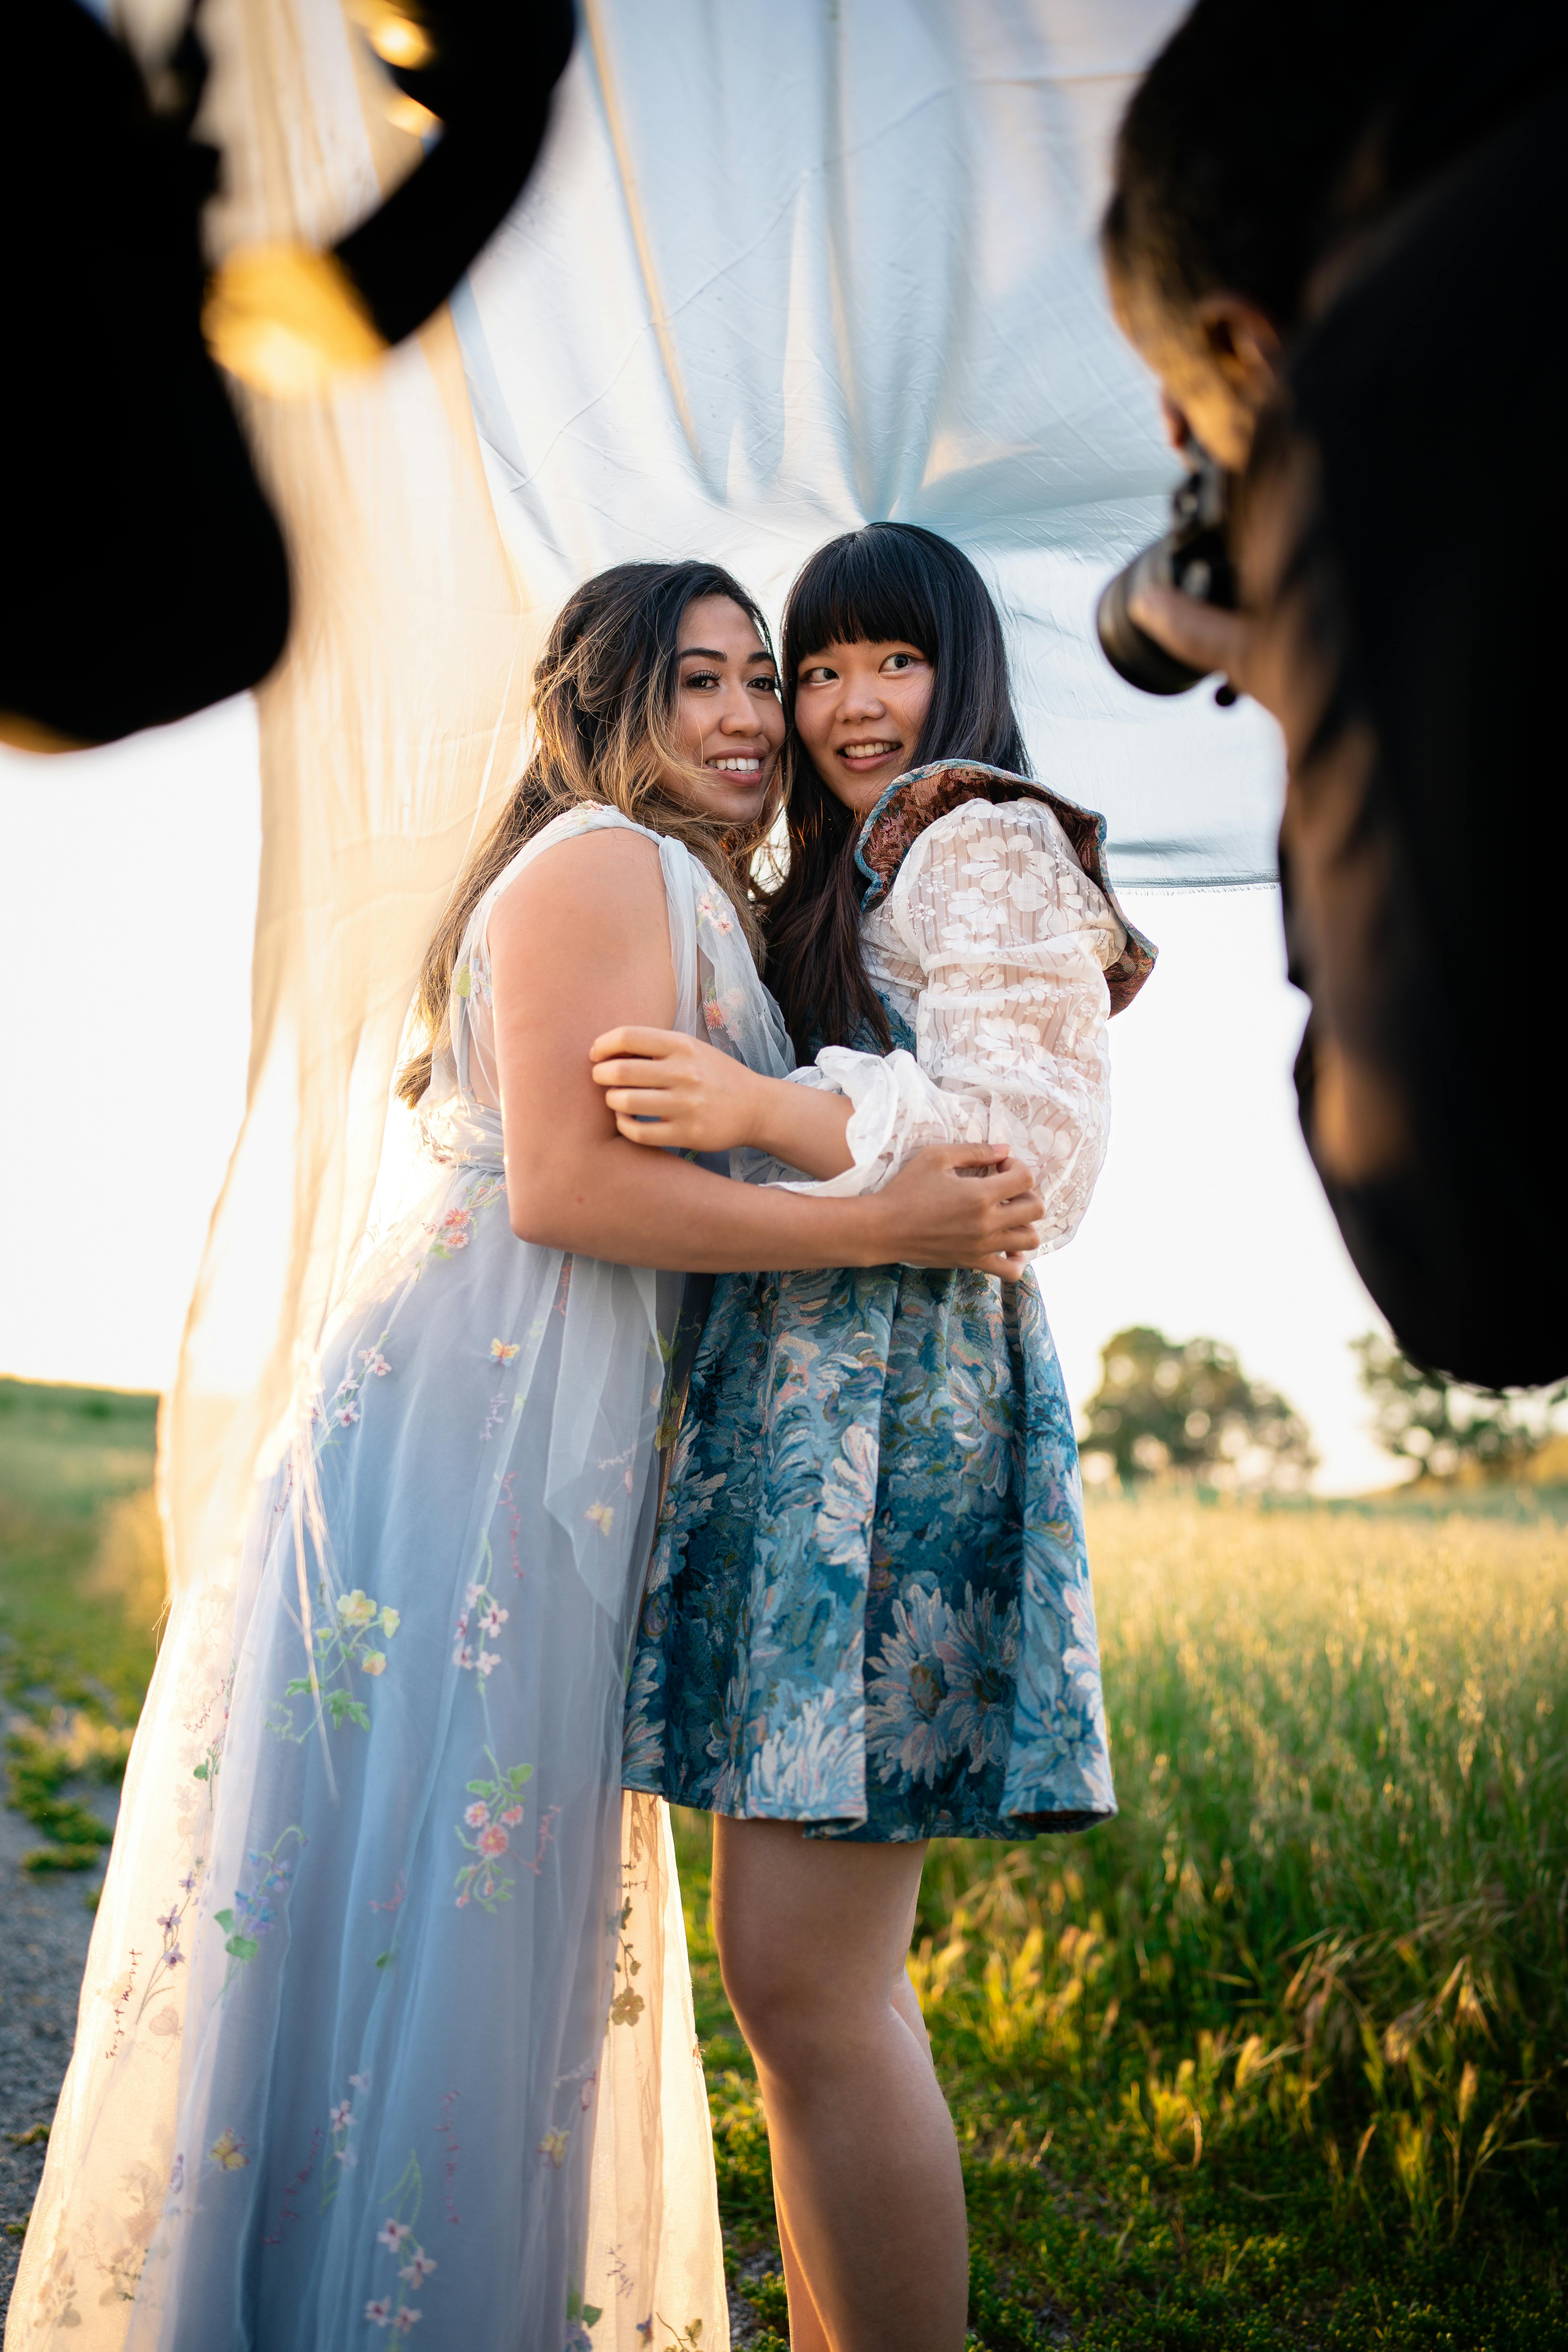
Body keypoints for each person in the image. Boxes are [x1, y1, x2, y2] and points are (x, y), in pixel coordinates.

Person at [11, 559, 1042, 2352]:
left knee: (492, 1887)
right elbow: (569, 1191)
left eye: (760, 679)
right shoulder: (597, 860)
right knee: (450, 1873)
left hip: (550, 1433)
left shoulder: (706, 892)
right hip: (467, 1428)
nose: (745, 716)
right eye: (700, 678)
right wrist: (881, 1225)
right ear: (598, 701)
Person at [598, 523, 1154, 2352]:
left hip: (900, 1417)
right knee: (794, 1985)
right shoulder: (844, 868)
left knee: (818, 1989)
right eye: (813, 667)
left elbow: (1030, 1157)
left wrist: (762, 1102)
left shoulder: (974, 836)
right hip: (822, 1406)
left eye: (883, 664)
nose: (842, 705)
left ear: (958, 672)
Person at [1099, 0, 1568, 1387]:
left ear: (1243, 350)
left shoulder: (1377, 399)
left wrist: (1325, 698)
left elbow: (1474, 1261)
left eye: (1195, 421)